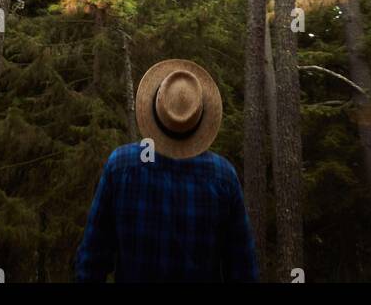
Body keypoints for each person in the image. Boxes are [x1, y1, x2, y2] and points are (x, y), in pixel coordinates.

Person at [75, 58, 258, 283]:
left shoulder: (121, 166)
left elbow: (91, 260)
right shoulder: (223, 177)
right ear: (200, 121)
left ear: (154, 110)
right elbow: (243, 270)